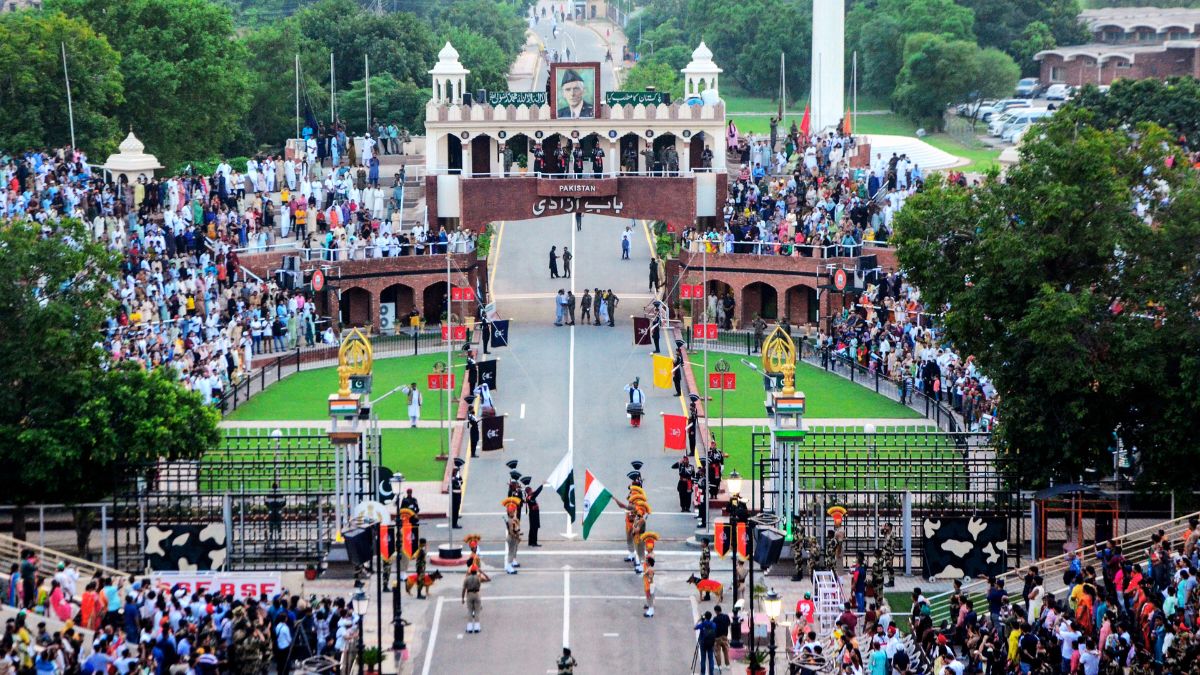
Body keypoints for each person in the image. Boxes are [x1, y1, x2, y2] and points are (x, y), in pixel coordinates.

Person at [461, 564, 488, 634]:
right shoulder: (478, 578)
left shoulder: (467, 579)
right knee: (477, 612)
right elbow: (488, 579)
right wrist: (482, 572)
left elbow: (464, 589)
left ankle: (469, 627)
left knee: (470, 611)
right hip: (477, 594)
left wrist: (462, 598)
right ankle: (477, 627)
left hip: (469, 594)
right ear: (476, 571)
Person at [695, 611, 718, 675]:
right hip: (711, 643)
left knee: (703, 658)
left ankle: (703, 673)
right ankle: (711, 673)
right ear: (710, 617)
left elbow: (695, 627)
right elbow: (715, 630)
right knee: (711, 658)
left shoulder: (703, 624)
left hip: (703, 643)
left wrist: (699, 620)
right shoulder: (713, 624)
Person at [504, 499, 522, 574]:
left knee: (514, 550)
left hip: (514, 537)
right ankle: (509, 566)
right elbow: (512, 531)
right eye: (513, 511)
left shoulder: (512, 519)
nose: (514, 512)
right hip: (512, 537)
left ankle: (511, 563)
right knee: (511, 552)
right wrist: (516, 536)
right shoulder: (511, 521)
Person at [713, 605, 732, 670]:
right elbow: (729, 624)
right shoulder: (726, 616)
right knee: (725, 651)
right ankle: (727, 665)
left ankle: (719, 665)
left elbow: (713, 628)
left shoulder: (715, 619)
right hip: (724, 636)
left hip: (717, 637)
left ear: (716, 611)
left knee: (718, 651)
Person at [450, 459, 464, 529]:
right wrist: (456, 479)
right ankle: (454, 524)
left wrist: (459, 478)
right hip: (454, 495)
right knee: (455, 509)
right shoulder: (453, 479)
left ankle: (456, 520)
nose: (457, 472)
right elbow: (457, 485)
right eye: (456, 471)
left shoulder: (457, 478)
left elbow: (461, 482)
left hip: (458, 494)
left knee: (457, 508)